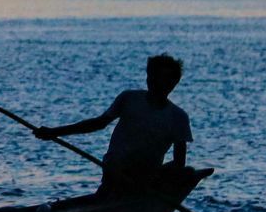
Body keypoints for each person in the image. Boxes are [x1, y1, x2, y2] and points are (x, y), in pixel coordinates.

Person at [35, 54, 191, 195]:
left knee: (187, 172)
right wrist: (54, 132)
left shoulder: (179, 117)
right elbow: (98, 123)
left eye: (162, 78)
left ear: (174, 82)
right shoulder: (129, 99)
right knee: (115, 169)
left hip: (146, 176)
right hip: (116, 169)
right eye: (152, 76)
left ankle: (142, 190)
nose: (153, 81)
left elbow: (179, 163)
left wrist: (157, 176)